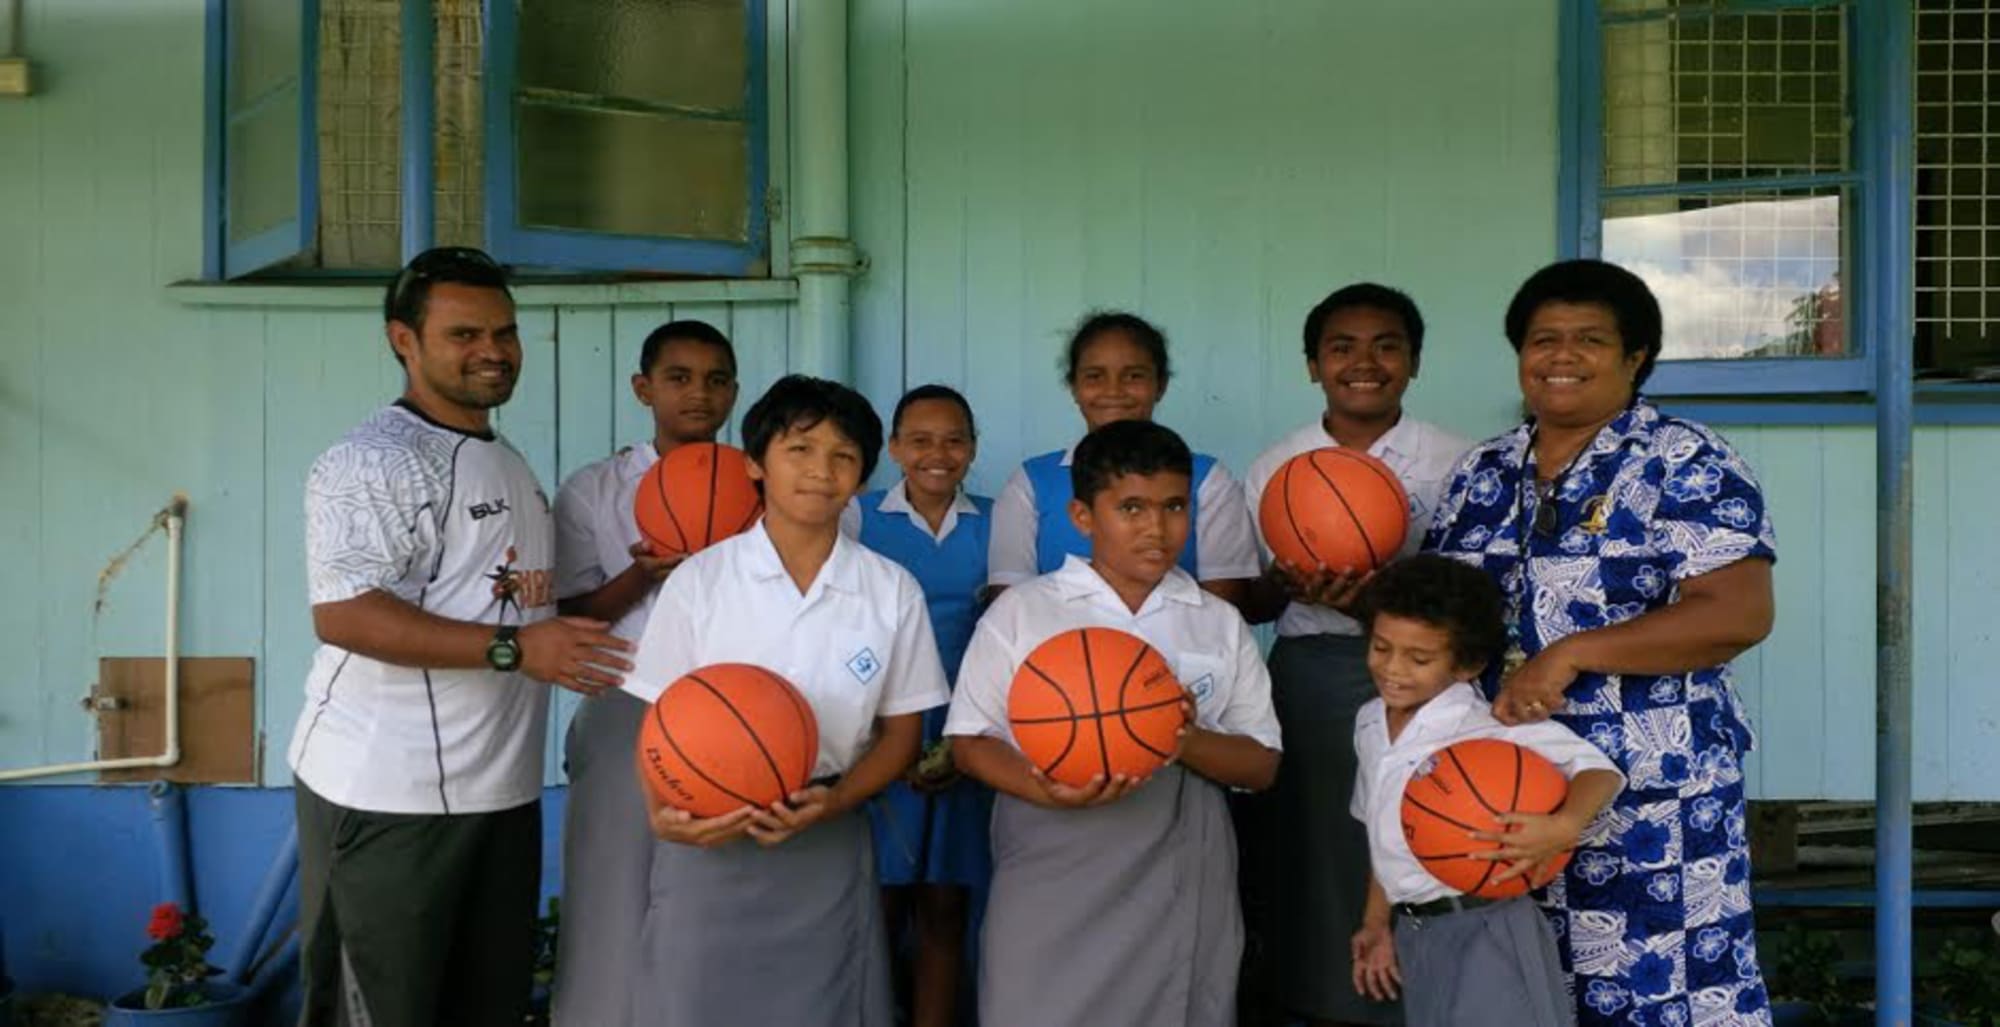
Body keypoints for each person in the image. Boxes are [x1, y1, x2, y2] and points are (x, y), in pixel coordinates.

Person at [1426, 259, 1778, 1027]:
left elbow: (1738, 612)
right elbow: (1437, 616)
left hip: (1651, 800)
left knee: (1665, 1000)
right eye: (1543, 338)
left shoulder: (1686, 461)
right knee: (1515, 993)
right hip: (1501, 790)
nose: (1561, 355)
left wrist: (1572, 651)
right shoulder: (1481, 473)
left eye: (1589, 339)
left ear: (1635, 357)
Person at [288, 246, 633, 1026]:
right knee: (384, 1008)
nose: (493, 351)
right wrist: (516, 649)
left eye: (505, 332)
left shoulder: (502, 459)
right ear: (402, 340)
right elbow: (343, 612)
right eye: (464, 333)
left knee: (486, 1003)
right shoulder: (374, 460)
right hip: (388, 797)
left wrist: (638, 579)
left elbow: (516, 606)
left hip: (498, 792)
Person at [623, 374, 952, 1025]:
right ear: (755, 463)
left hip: (827, 831)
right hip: (709, 837)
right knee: (693, 1002)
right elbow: (657, 718)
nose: (820, 471)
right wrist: (663, 811)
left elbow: (900, 736)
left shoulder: (891, 591)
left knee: (824, 1005)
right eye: (799, 449)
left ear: (861, 476)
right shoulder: (701, 581)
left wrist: (838, 799)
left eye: (843, 456)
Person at [946, 418, 1282, 1027]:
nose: (1156, 528)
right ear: (1082, 516)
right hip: (1049, 850)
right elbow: (969, 742)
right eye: (1131, 507)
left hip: (1181, 859)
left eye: (1174, 506)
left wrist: (1178, 735)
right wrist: (1041, 787)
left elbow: (1261, 765)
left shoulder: (1216, 620)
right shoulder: (1026, 611)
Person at [1238, 283, 1470, 1026]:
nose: (1363, 362)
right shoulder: (1280, 465)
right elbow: (1253, 603)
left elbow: (1472, 597)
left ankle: (1429, 1000)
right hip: (1312, 672)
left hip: (1430, 682)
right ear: (1313, 365)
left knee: (1418, 833)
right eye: (1341, 346)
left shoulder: (1458, 460)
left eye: (1386, 345)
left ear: (1414, 361)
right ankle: (1323, 1000)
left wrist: (1375, 601)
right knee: (1316, 851)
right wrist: (1284, 583)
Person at [548, 319, 739, 1027]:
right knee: (611, 894)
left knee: (719, 893)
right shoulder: (600, 486)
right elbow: (569, 610)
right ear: (643, 387)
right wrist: (644, 571)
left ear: (734, 392)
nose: (699, 393)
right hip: (626, 697)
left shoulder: (761, 482)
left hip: (733, 711)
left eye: (716, 379)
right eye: (679, 377)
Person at [1346, 554, 1623, 1027]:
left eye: (1418, 659)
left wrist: (1563, 825)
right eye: (1380, 647)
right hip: (1417, 930)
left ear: (1468, 664)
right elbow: (1382, 832)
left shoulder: (1485, 729)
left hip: (1489, 927)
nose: (1392, 669)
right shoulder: (1370, 722)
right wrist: (1376, 923)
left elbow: (1600, 772)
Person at [839, 384, 994, 1027]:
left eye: (954, 439)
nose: (939, 453)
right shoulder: (857, 516)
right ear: (896, 448)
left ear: (972, 448)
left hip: (968, 722)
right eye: (921, 440)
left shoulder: (997, 519)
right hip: (877, 721)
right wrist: (880, 736)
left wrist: (967, 740)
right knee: (877, 901)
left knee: (946, 901)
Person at [986, 310, 1260, 608]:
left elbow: (1221, 610)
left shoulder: (1208, 479)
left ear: (1161, 385)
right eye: (1095, 376)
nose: (1113, 391)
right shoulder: (1031, 482)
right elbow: (1010, 606)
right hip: (1058, 651)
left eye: (1134, 376)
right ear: (1074, 387)